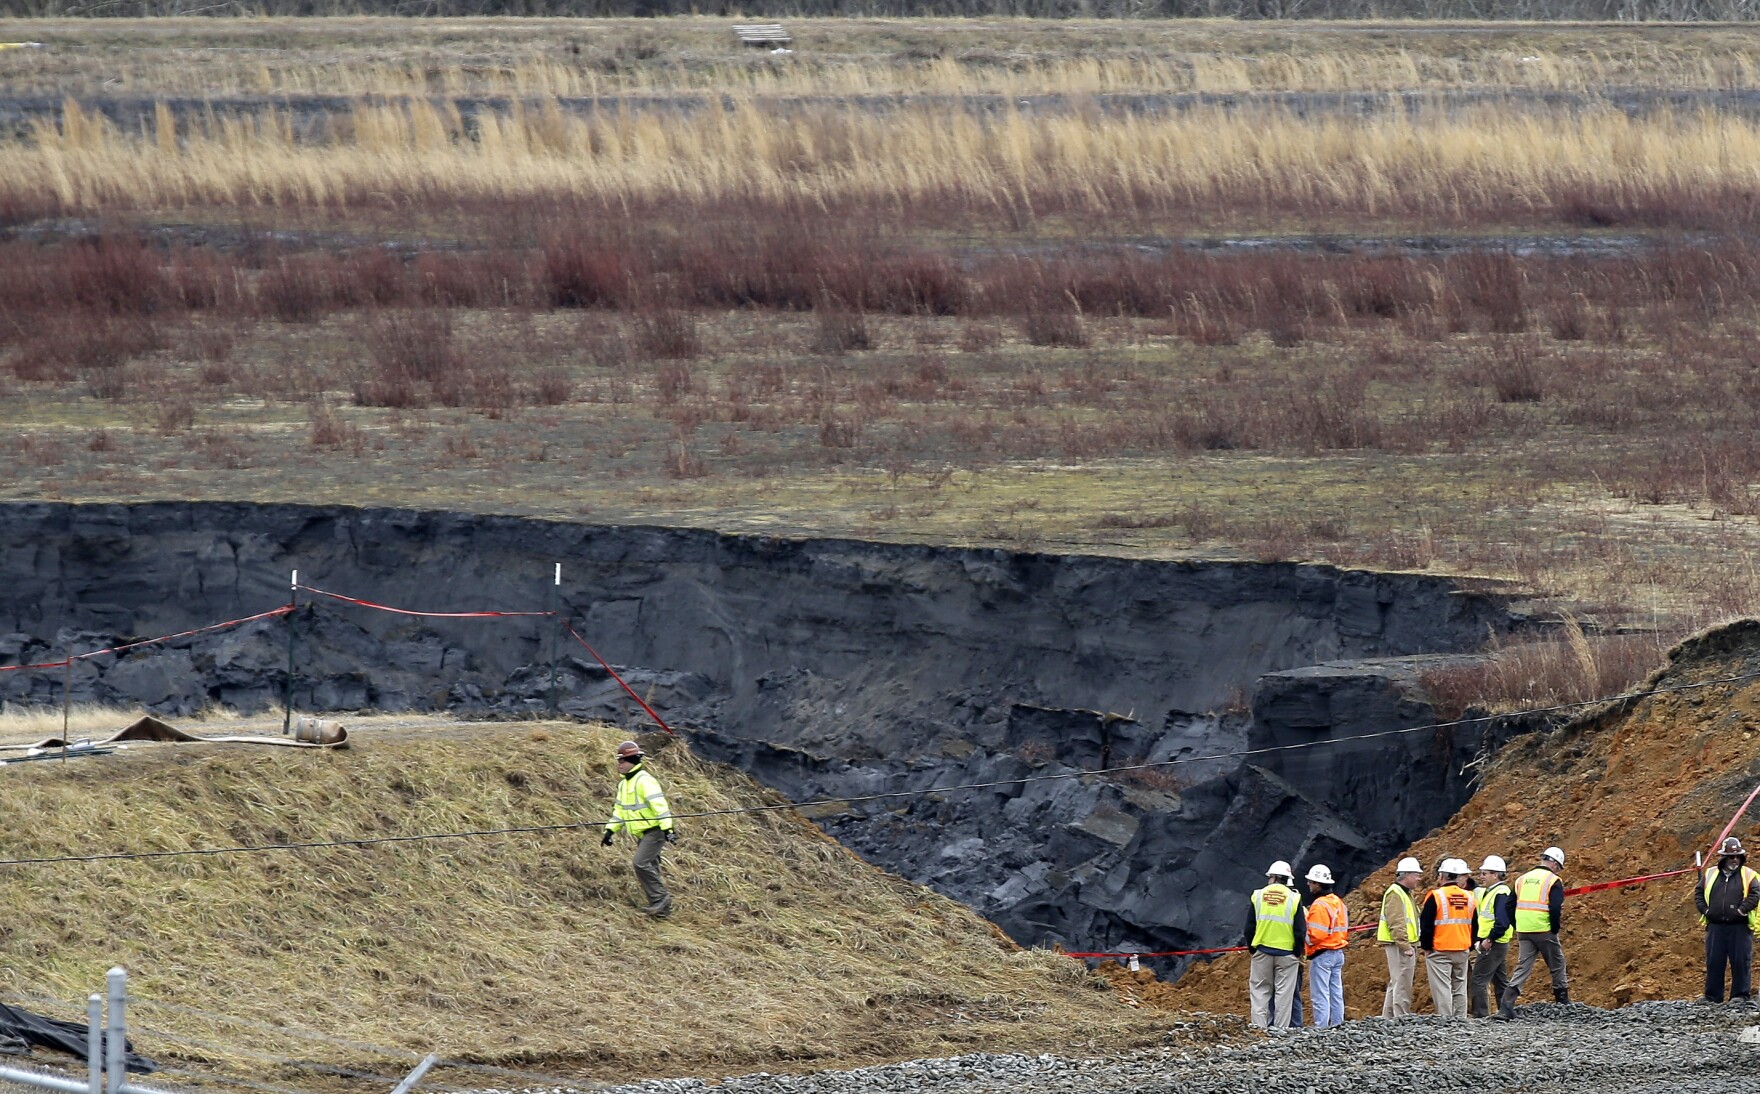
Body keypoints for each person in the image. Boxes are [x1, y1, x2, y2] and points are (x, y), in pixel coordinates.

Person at [601, 739, 676, 917]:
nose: (619, 764)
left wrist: (668, 829)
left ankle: (661, 899)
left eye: (622, 761)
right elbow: (620, 811)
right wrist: (610, 831)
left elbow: (660, 806)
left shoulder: (645, 781)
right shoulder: (624, 784)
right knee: (651, 866)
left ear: (632, 761)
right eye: (618, 761)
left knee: (640, 863)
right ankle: (660, 909)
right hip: (643, 833)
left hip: (655, 831)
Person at [1495, 846, 1569, 1018]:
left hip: (1524, 930)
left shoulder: (1522, 879)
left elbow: (1509, 905)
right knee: (1557, 963)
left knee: (1523, 966)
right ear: (1554, 864)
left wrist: (1517, 924)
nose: (1558, 871)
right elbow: (1555, 907)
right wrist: (1554, 928)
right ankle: (1563, 1002)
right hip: (1543, 929)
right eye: (1558, 867)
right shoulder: (1553, 880)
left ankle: (1506, 1006)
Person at [1696, 836, 1760, 1003]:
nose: (1734, 859)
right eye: (1731, 856)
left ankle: (1740, 995)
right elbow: (1698, 894)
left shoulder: (1749, 875)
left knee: (1740, 961)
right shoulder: (1710, 874)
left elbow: (1755, 894)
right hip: (1715, 926)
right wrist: (1706, 911)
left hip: (1740, 926)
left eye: (1737, 856)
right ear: (1723, 857)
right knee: (1714, 961)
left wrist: (1741, 910)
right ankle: (1712, 996)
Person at [1246, 860, 1306, 1030]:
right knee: (1284, 995)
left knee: (1260, 991)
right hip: (1287, 954)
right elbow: (1300, 930)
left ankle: (1259, 1029)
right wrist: (1297, 952)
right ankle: (1280, 1032)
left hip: (1262, 951)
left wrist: (1252, 948)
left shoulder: (1258, 895)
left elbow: (1249, 927)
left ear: (1273, 877)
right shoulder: (1294, 898)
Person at [1420, 858, 1475, 1019]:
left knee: (1442, 987)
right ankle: (1460, 1018)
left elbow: (1426, 924)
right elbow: (1475, 924)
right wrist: (1470, 945)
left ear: (1443, 876)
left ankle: (1446, 1020)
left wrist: (1426, 947)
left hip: (1440, 949)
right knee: (1460, 987)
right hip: (1462, 948)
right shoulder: (1469, 897)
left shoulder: (1436, 896)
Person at [1469, 855, 1515, 1018]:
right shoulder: (1493, 892)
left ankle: (1480, 1016)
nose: (1481, 877)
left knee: (1478, 980)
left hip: (1493, 943)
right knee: (1500, 980)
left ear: (1495, 875)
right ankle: (1506, 1011)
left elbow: (1502, 921)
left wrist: (1489, 939)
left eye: (1484, 873)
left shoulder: (1500, 893)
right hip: (1496, 942)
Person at [1304, 863, 1348, 1028]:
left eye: (1311, 882)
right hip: (1337, 952)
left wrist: (1302, 933)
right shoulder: (1338, 902)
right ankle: (1337, 1024)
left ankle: (1321, 1028)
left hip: (1322, 955)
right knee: (1336, 992)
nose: (1308, 884)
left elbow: (1315, 935)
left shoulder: (1319, 905)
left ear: (1318, 884)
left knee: (1320, 993)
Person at [1378, 856, 1422, 1018]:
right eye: (1416, 875)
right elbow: (1396, 922)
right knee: (1402, 981)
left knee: (1396, 981)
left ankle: (1389, 1017)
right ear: (1407, 875)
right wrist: (1405, 945)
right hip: (1399, 945)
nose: (1419, 878)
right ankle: (1401, 1017)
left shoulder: (1404, 893)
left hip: (1403, 943)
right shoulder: (1396, 893)